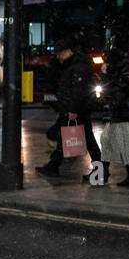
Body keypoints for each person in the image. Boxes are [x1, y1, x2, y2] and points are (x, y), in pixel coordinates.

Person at [36, 37, 101, 179]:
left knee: (88, 141)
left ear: (67, 51)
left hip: (77, 110)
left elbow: (79, 91)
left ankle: (100, 172)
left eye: (59, 53)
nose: (58, 56)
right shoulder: (73, 64)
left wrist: (73, 109)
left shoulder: (78, 66)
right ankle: (53, 166)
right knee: (64, 137)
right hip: (73, 108)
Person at [94, 49, 129, 188]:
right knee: (107, 140)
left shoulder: (124, 71)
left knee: (125, 144)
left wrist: (108, 75)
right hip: (117, 113)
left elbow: (120, 88)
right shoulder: (118, 70)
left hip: (123, 113)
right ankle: (104, 173)